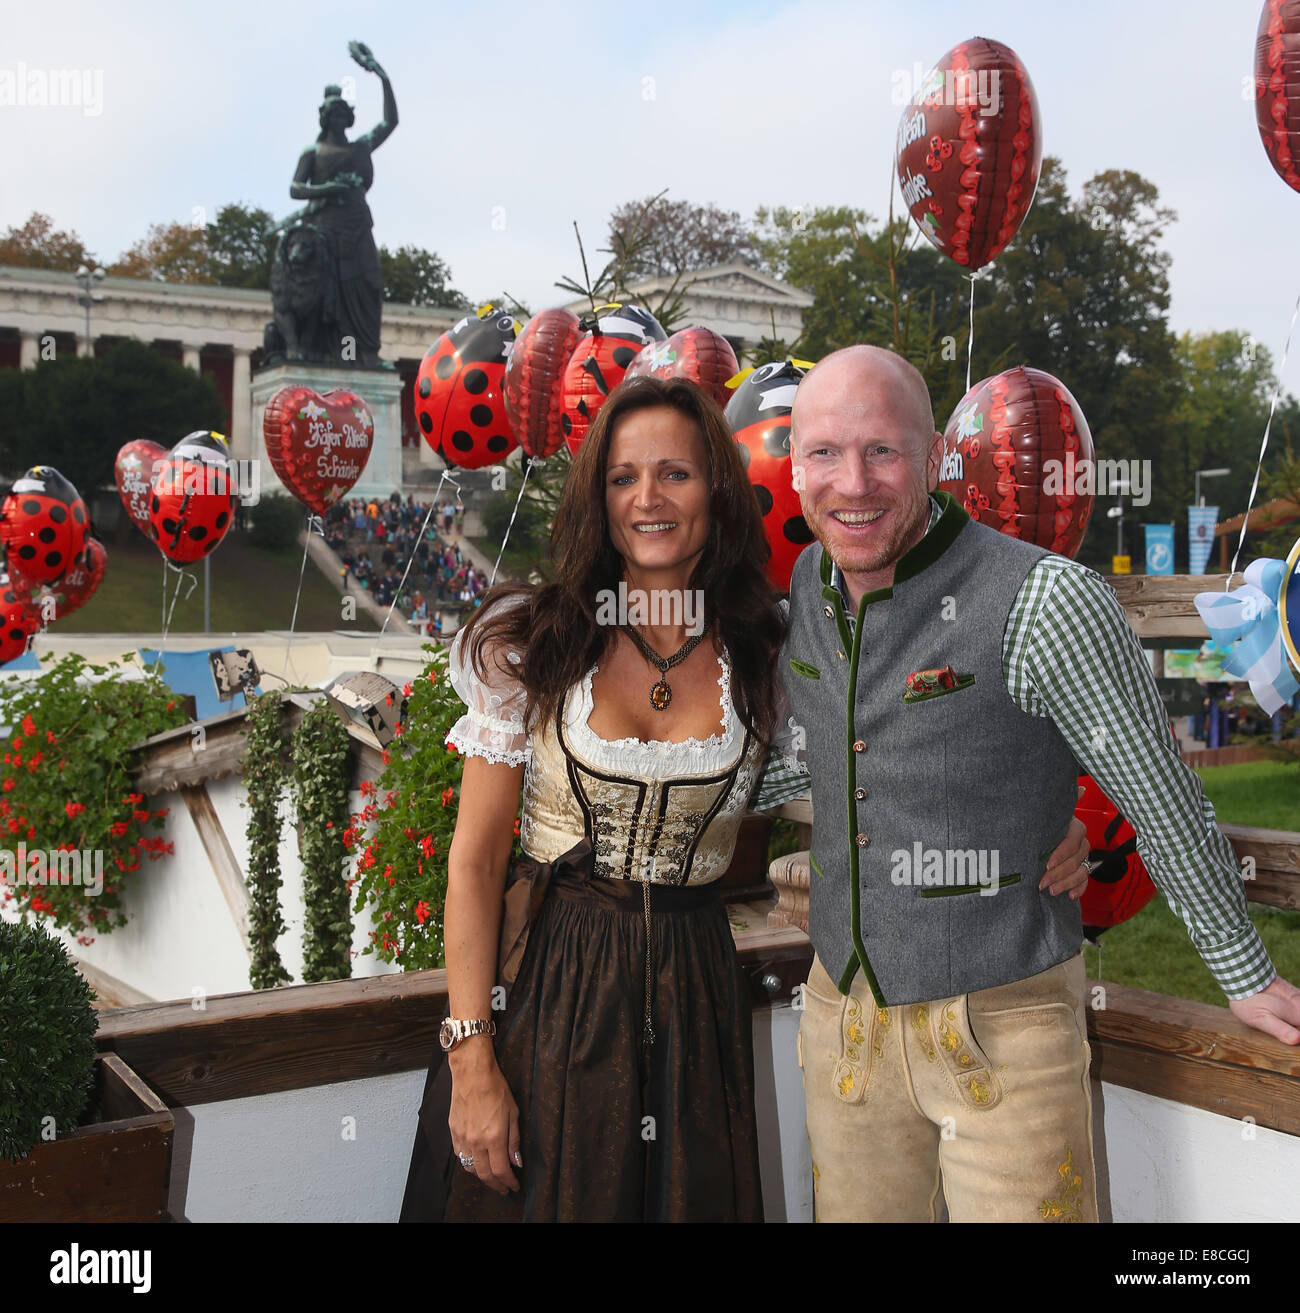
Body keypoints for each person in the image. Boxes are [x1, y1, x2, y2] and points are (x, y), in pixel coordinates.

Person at [400, 375, 1092, 1223]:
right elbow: (473, 863)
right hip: (546, 991)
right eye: (623, 477)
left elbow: (895, 753)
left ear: (716, 490)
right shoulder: (531, 642)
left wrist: (1060, 819)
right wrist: (472, 1057)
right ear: (598, 496)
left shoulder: (767, 649)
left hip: (691, 1005)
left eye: (676, 474)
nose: (648, 499)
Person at [781, 345, 1300, 1224]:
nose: (852, 482)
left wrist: (1243, 970)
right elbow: (823, 753)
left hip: (1006, 1023)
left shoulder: (1047, 598)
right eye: (824, 453)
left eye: (882, 450)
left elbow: (1159, 792)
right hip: (844, 1019)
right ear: (795, 468)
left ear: (939, 456)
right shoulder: (808, 581)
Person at [284, 44, 396, 369]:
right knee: (333, 296)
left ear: (348, 117)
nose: (338, 119)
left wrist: (380, 74)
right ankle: (342, 355)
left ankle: (367, 354)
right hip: (325, 230)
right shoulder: (313, 152)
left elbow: (391, 121)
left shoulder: (361, 147)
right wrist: (329, 187)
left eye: (342, 114)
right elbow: (294, 188)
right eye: (332, 114)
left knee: (368, 286)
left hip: (359, 225)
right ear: (325, 118)